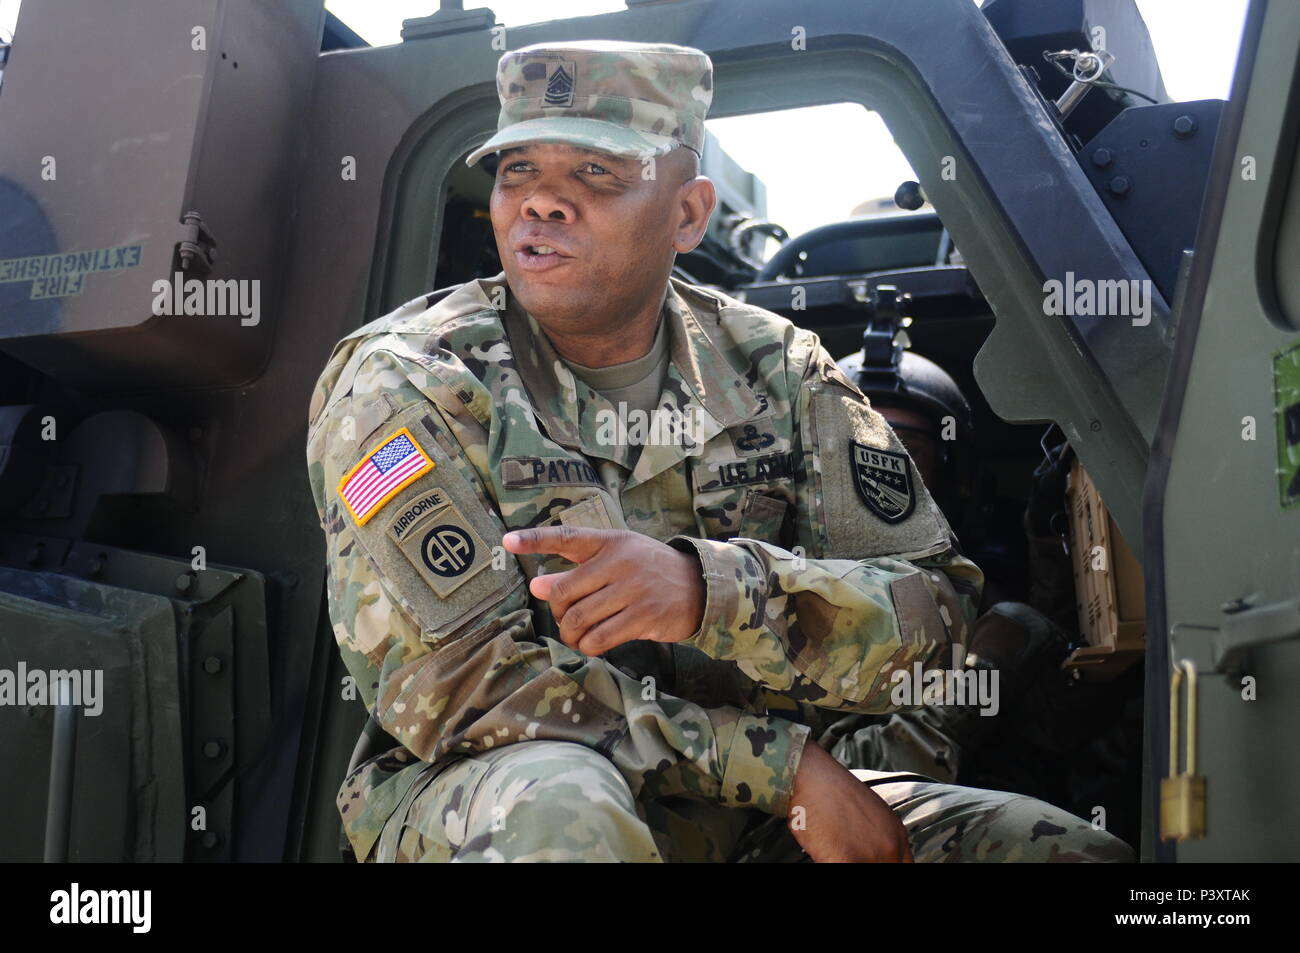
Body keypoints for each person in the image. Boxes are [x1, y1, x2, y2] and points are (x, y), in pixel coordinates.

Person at [305, 39, 1132, 862]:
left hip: (758, 818)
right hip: (495, 797)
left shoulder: (782, 368)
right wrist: (779, 767)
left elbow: (940, 619)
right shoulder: (409, 381)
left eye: (596, 172)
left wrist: (713, 593)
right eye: (517, 170)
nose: (541, 204)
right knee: (568, 807)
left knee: (1060, 851)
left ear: (690, 213)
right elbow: (457, 690)